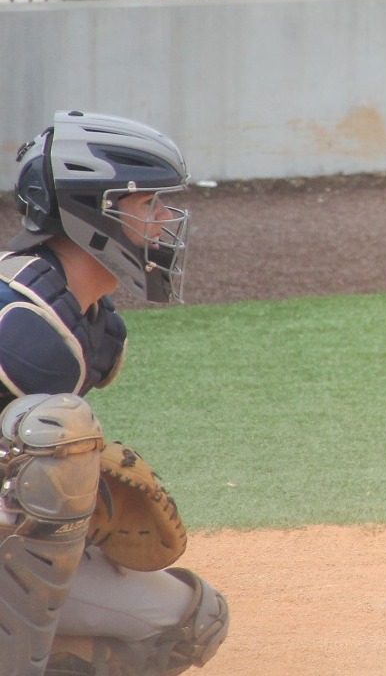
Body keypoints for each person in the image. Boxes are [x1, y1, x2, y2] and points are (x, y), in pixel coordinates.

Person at [1, 111, 228, 676]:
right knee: (58, 433)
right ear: (90, 214)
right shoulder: (22, 327)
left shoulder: (87, 326)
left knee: (192, 621)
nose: (164, 219)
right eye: (147, 204)